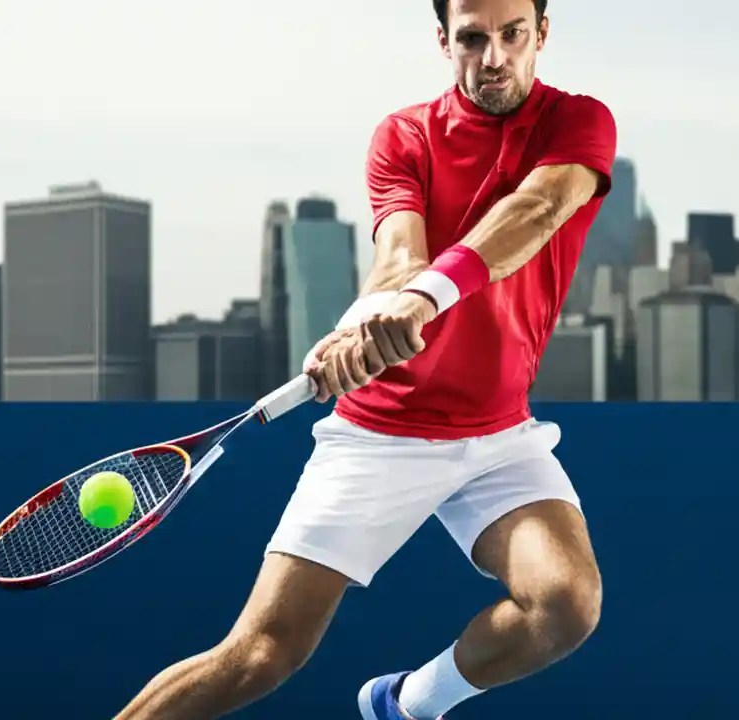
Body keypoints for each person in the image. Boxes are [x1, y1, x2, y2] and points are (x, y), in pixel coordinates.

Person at [114, 0, 615, 718]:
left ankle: (408, 704)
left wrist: (423, 302)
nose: (495, 57)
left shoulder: (578, 122)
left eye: (513, 36)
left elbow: (534, 213)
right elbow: (397, 259)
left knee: (566, 605)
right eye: (474, 38)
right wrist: (361, 322)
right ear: (446, 41)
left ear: (542, 34)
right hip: (382, 435)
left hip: (498, 435)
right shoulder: (404, 134)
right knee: (260, 654)